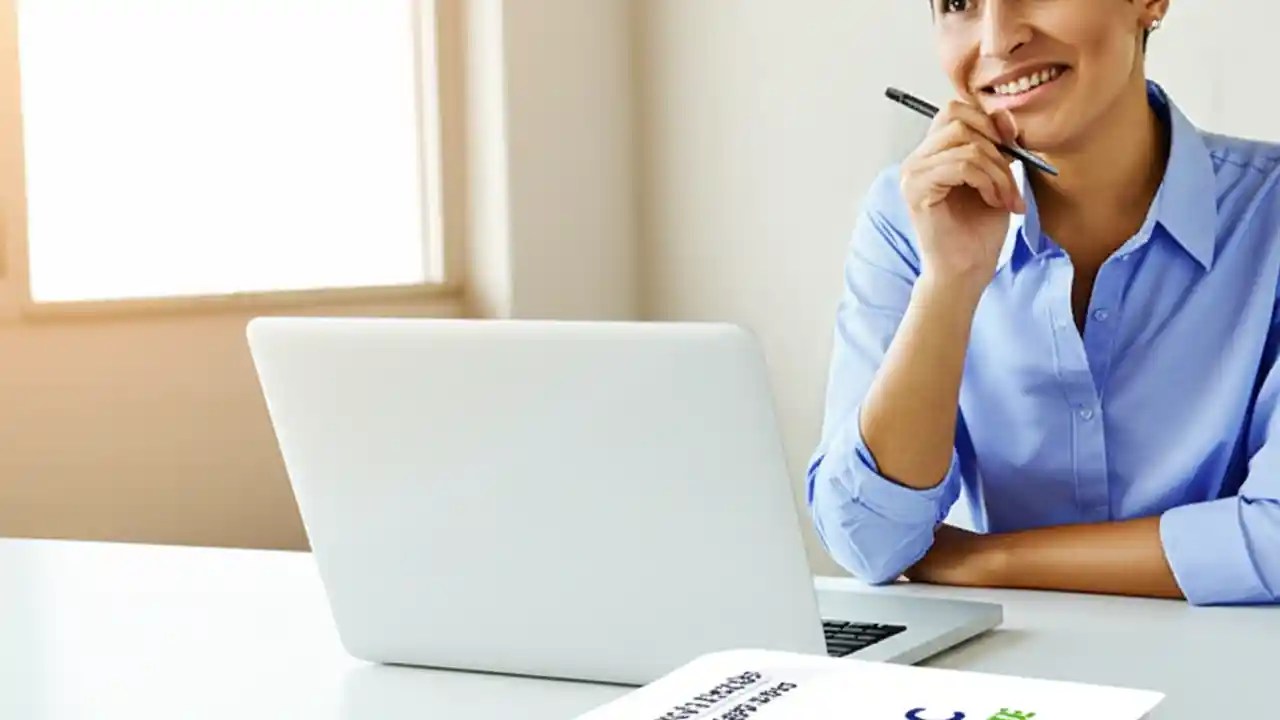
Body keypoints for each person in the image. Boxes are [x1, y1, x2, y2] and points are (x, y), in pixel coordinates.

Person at [807, 0, 1280, 607]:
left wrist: (982, 559)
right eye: (958, 4)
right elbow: (869, 540)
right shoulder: (907, 220)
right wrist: (948, 283)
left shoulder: (1266, 218)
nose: (998, 39)